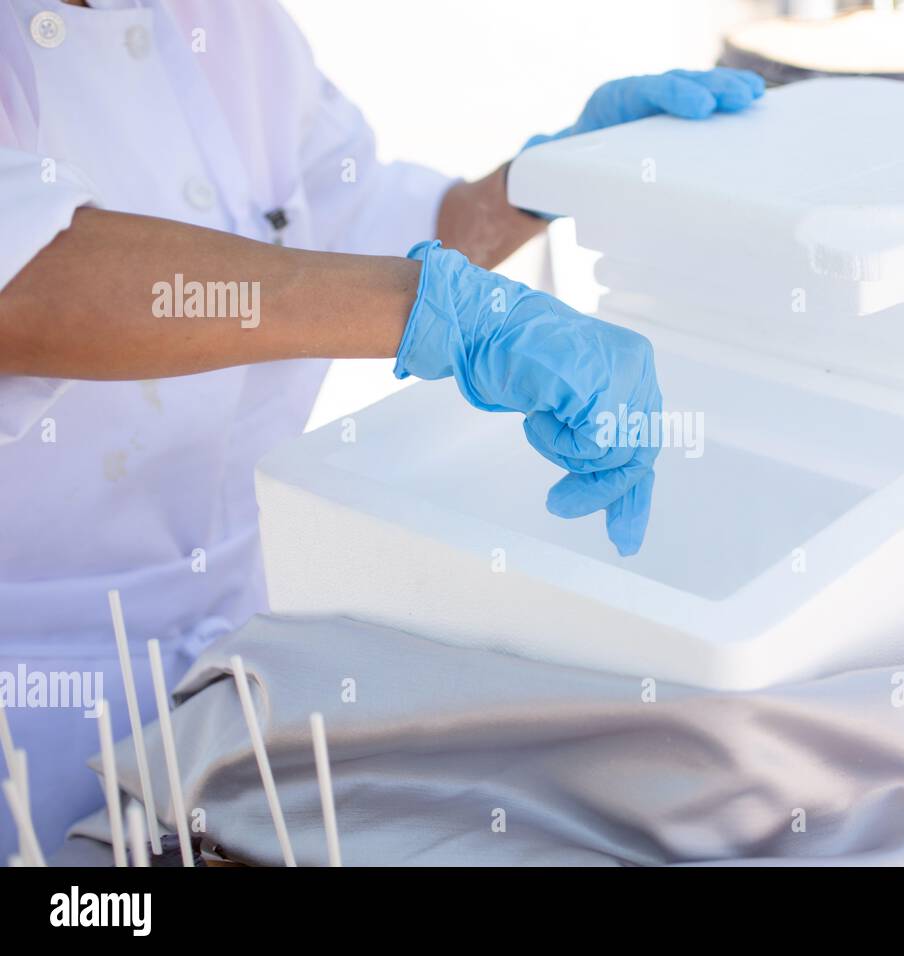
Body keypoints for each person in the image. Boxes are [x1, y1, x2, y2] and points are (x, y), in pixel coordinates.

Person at [0, 0, 764, 856]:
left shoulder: (224, 21)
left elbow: (366, 235)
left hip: (228, 660)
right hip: (27, 697)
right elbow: (26, 283)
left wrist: (536, 186)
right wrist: (436, 311)